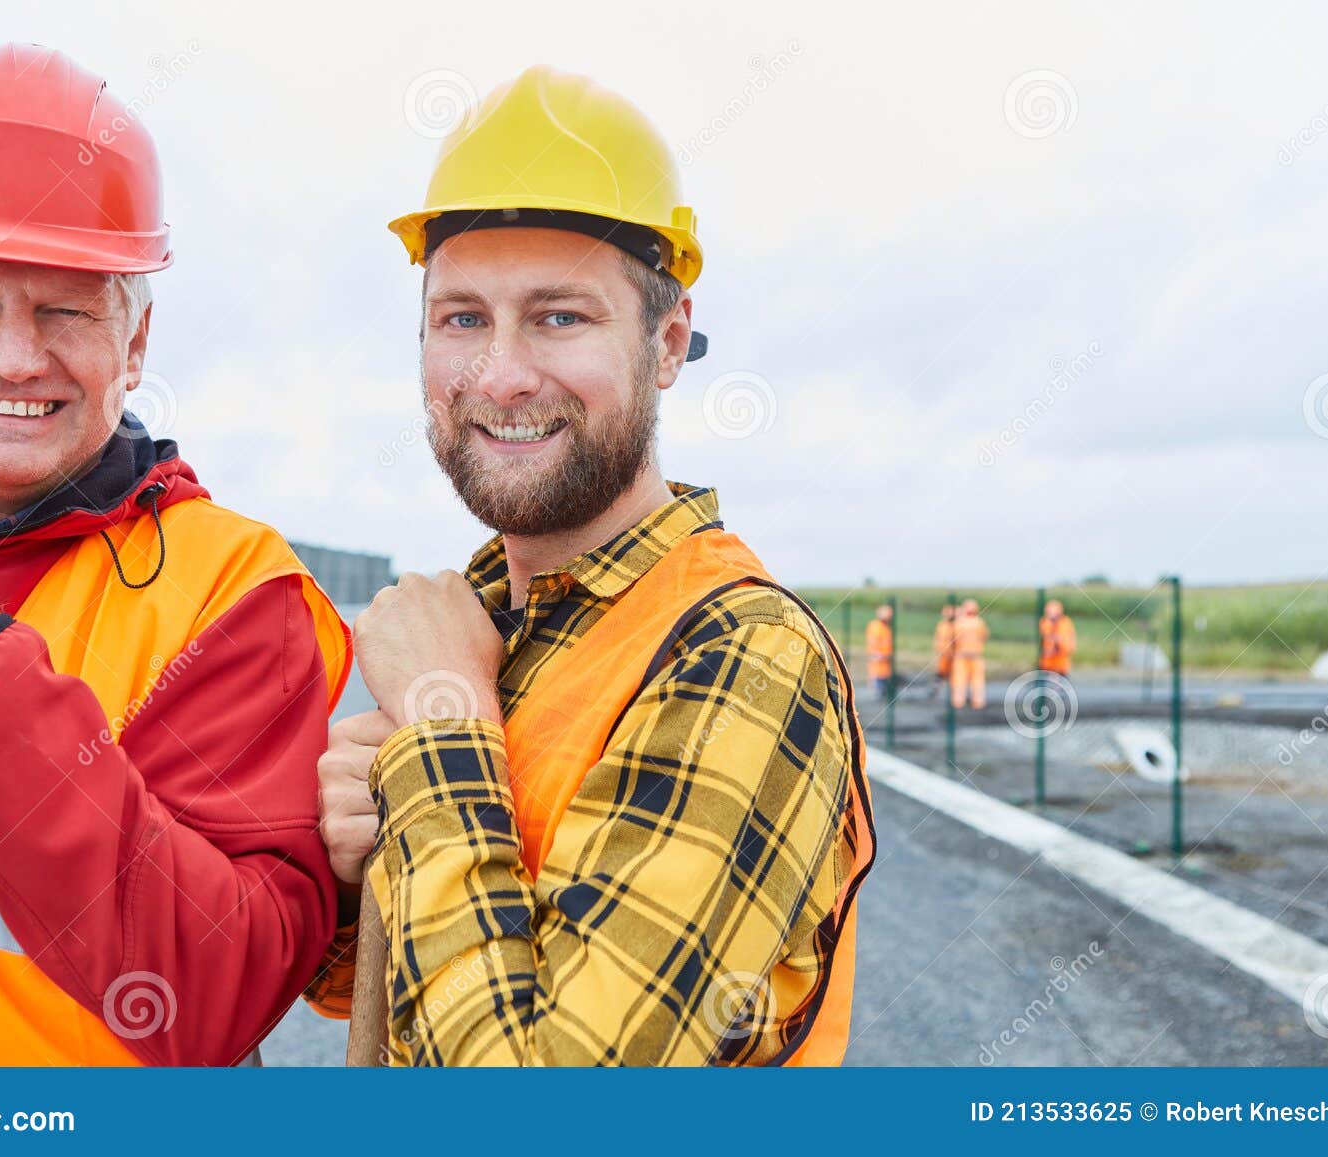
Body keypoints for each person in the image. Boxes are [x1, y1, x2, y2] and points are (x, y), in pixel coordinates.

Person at [0, 45, 351, 1066]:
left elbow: (214, 991)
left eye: (65, 309)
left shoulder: (231, 591)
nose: (14, 356)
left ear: (133, 343)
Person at [311, 66, 875, 1065]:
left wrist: (442, 729)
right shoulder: (482, 621)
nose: (502, 373)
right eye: (463, 318)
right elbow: (389, 1000)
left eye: (559, 315)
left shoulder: (741, 653)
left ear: (665, 342)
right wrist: (357, 873)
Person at [950, 598, 989, 710]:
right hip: (976, 655)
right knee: (977, 680)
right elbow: (984, 636)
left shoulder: (959, 623)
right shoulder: (980, 622)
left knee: (959, 679)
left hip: (961, 655)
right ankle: (978, 701)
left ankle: (958, 701)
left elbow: (953, 638)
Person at [1038, 599, 1077, 679]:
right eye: (1049, 610)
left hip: (1062, 662)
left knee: (1062, 685)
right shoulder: (1044, 622)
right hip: (1048, 663)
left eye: (1053, 610)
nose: (1050, 613)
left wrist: (1067, 646)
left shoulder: (1066, 622)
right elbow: (1046, 637)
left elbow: (1071, 639)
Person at [865, 604, 895, 698]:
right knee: (877, 681)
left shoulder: (887, 627)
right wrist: (876, 654)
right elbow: (872, 642)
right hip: (878, 660)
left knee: (884, 682)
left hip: (885, 661)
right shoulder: (875, 626)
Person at [932, 603, 956, 699]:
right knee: (940, 673)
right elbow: (937, 638)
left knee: (953, 674)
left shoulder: (955, 625)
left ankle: (954, 693)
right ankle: (935, 690)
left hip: (952, 655)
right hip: (943, 653)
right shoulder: (941, 625)